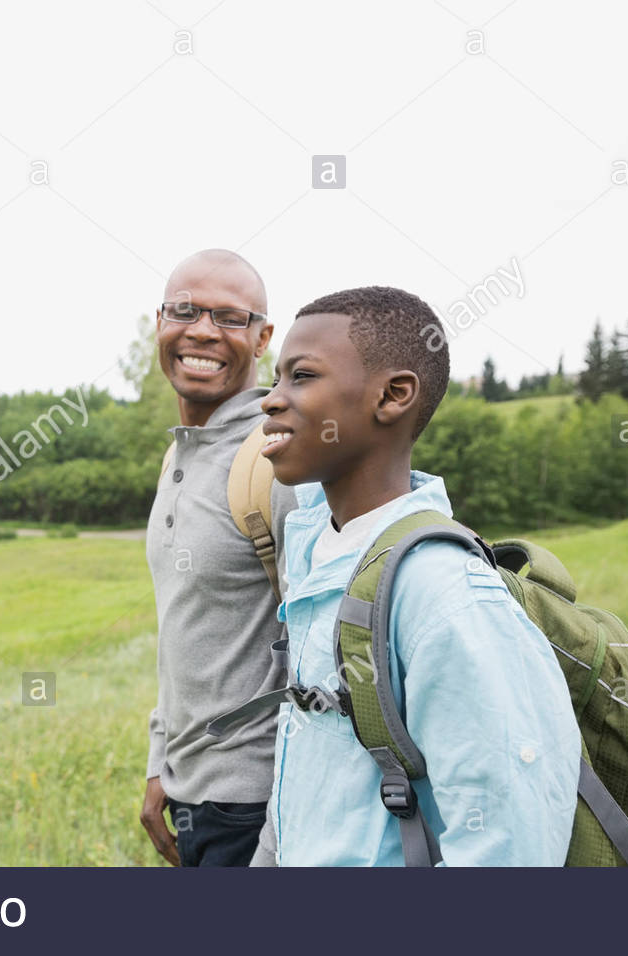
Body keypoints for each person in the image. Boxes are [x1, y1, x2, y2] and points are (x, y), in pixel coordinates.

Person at [251, 286, 579, 866]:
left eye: (301, 377)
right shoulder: (314, 553)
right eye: (275, 380)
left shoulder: (444, 591)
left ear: (394, 396)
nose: (271, 401)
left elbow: (509, 842)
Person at [140, 249, 297, 867]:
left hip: (255, 806)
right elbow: (181, 627)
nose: (202, 331)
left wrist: (275, 841)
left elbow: (325, 659)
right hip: (191, 792)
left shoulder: (278, 462)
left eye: (230, 318)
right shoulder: (181, 453)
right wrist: (161, 762)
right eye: (185, 311)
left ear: (263, 338)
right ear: (160, 322)